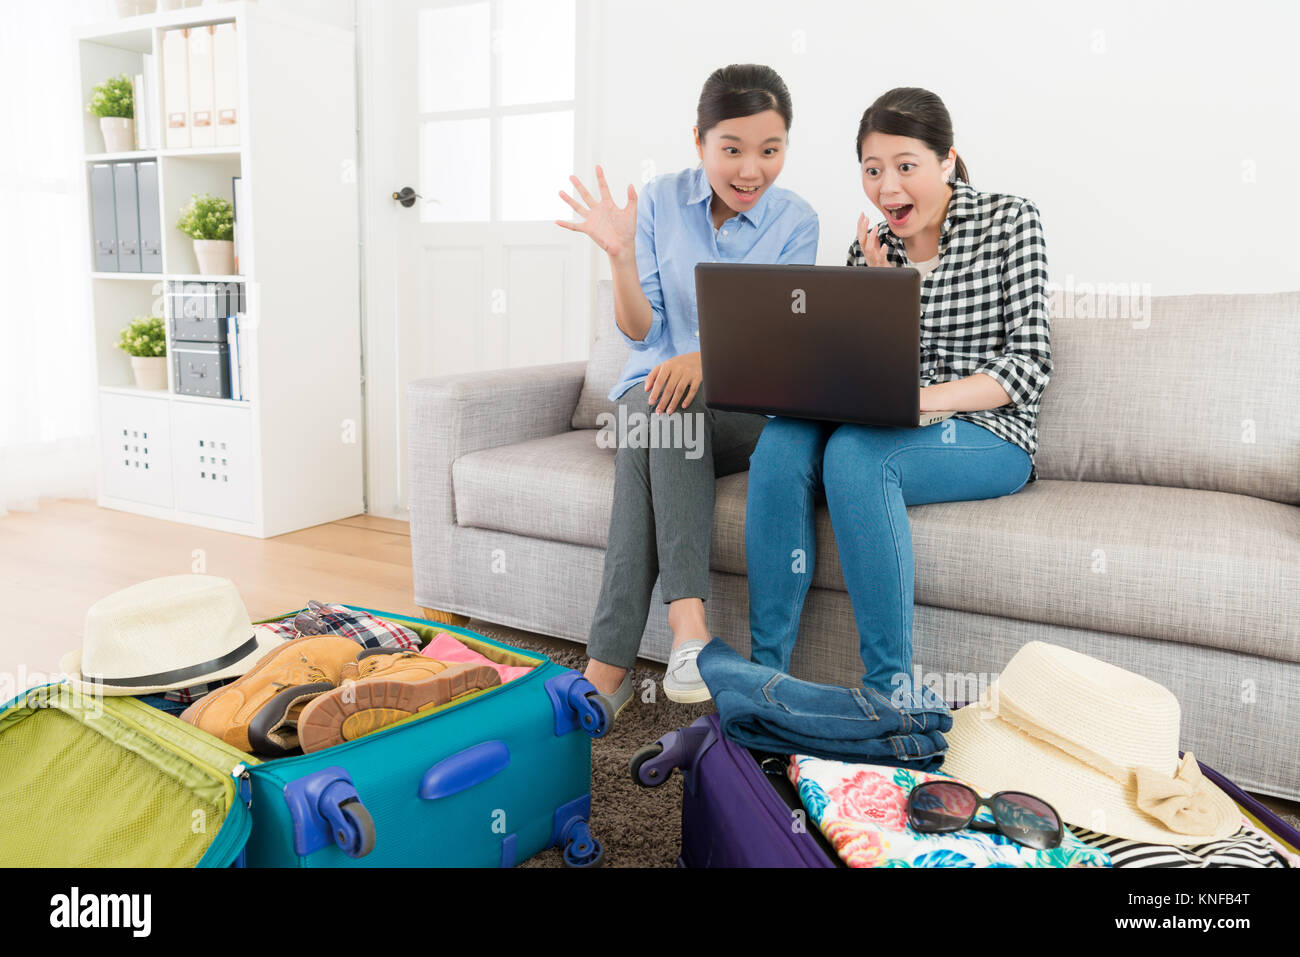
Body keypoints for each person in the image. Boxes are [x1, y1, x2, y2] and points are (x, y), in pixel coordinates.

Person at [744, 86, 1053, 702]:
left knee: (858, 455)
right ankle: (763, 682)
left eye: (905, 166)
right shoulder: (869, 250)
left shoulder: (1009, 220)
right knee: (781, 441)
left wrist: (925, 400)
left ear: (947, 161)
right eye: (873, 169)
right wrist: (888, 296)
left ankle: (891, 695)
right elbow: (863, 372)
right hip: (891, 416)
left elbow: (1031, 364)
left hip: (989, 432)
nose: (888, 187)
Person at [555, 64, 819, 721]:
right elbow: (641, 332)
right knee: (660, 411)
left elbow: (784, 340)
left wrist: (707, 358)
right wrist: (618, 256)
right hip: (657, 400)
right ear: (698, 140)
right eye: (731, 149)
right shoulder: (660, 202)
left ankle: (610, 668)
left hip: (751, 410)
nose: (750, 169)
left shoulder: (798, 223)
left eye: (769, 150)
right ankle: (686, 633)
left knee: (659, 416)